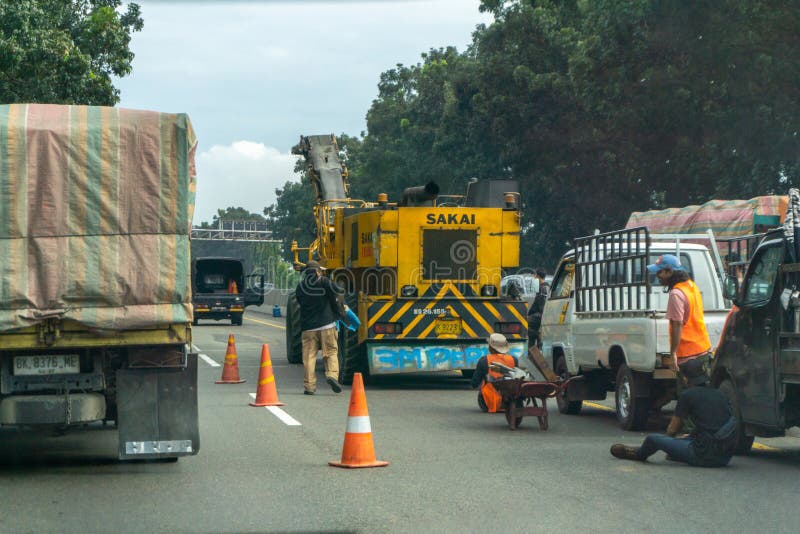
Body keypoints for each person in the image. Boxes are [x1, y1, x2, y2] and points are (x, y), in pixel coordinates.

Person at [609, 358, 737, 467]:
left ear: (686, 379)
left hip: (702, 455)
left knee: (653, 439)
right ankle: (679, 451)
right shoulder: (720, 394)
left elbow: (672, 430)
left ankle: (639, 453)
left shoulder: (687, 395)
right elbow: (712, 424)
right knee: (687, 438)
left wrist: (669, 444)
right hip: (724, 458)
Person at [647, 254, 712, 377]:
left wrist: (673, 354)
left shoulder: (676, 294)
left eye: (659, 272)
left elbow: (677, 325)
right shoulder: (691, 286)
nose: (657, 276)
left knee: (687, 395)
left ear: (669, 271)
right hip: (702, 349)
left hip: (687, 356)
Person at [294, 260, 346, 395]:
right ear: (317, 271)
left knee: (309, 357)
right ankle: (332, 376)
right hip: (327, 325)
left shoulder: (300, 287)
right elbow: (338, 293)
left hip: (308, 328)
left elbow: (300, 303)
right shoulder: (324, 282)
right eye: (320, 271)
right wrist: (339, 313)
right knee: (330, 353)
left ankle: (309, 387)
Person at [470, 333, 519, 412]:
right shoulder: (514, 359)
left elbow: (474, 383)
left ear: (490, 347)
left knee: (485, 381)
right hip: (510, 401)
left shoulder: (484, 360)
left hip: (490, 403)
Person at [527, 269, 549, 348]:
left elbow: (542, 308)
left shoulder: (542, 289)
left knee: (524, 323)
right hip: (539, 315)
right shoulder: (545, 287)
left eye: (535, 276)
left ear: (538, 277)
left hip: (540, 316)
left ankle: (537, 340)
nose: (534, 277)